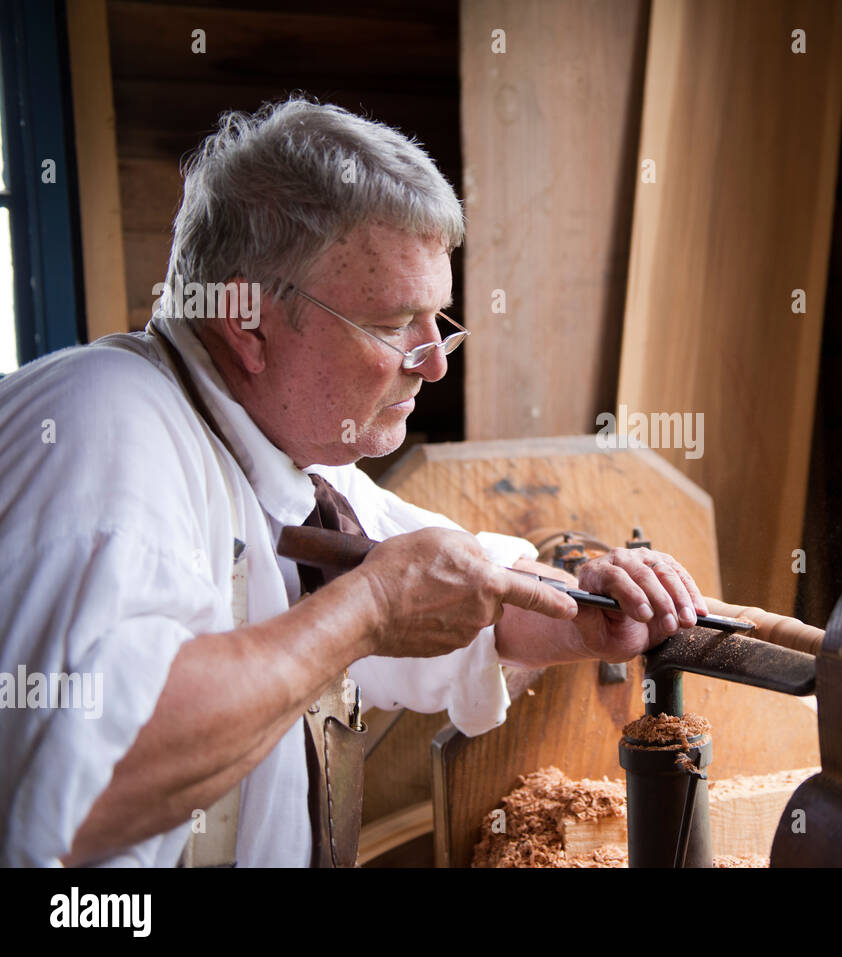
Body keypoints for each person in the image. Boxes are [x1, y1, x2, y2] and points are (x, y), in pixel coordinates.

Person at [0, 97, 708, 867]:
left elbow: (461, 583)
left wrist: (586, 610)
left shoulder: (284, 457)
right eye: (394, 323)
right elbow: (94, 790)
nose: (434, 360)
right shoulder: (102, 433)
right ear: (249, 321)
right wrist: (367, 609)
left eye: (439, 319)